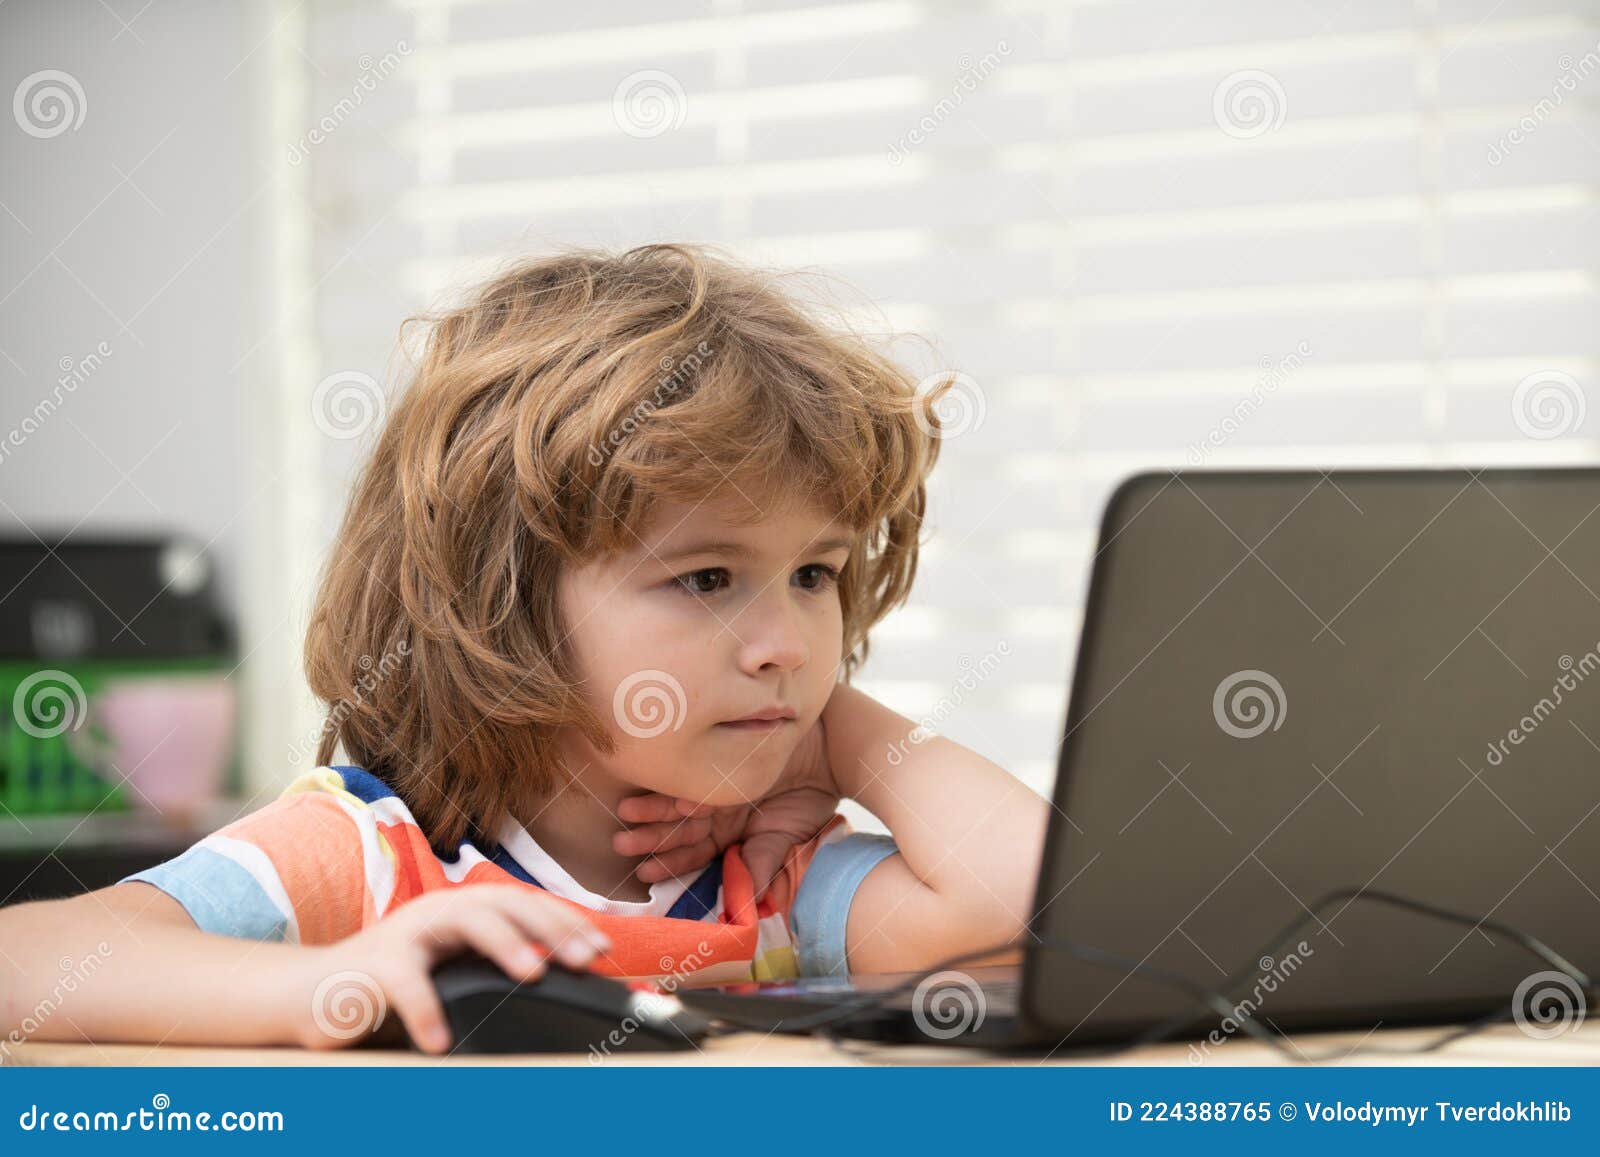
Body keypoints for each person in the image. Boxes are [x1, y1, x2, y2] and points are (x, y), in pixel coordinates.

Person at [1, 243, 1048, 1056]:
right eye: (706, 578)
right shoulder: (372, 857)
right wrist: (339, 977)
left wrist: (839, 738)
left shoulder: (766, 880)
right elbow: (23, 959)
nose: (781, 644)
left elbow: (1043, 916)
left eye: (813, 574)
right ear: (496, 598)